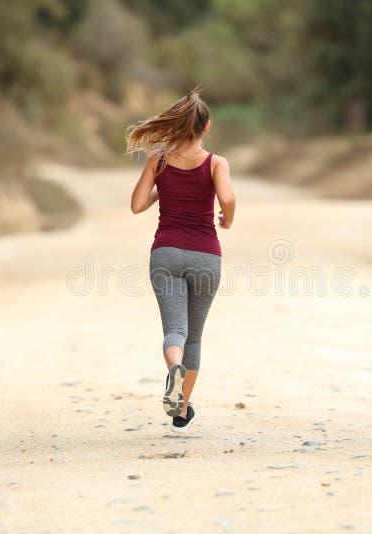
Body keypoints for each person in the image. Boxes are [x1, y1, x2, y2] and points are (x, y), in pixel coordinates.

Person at [126, 87, 235, 433]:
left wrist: (165, 185)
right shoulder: (216, 163)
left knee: (175, 331)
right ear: (206, 128)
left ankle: (172, 368)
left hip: (166, 253)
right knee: (195, 337)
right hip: (205, 255)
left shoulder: (158, 160)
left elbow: (137, 204)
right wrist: (227, 218)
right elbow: (227, 198)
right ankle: (180, 410)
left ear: (176, 125)